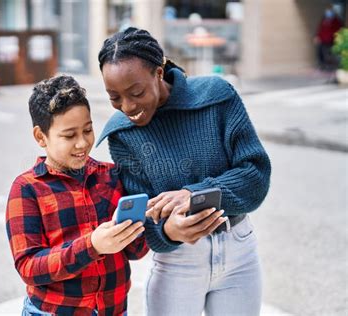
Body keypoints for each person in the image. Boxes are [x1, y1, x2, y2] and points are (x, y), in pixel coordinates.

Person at [96, 27, 271, 316]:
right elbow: (143, 219)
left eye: (136, 92)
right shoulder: (122, 135)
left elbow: (256, 177)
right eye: (114, 97)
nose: (127, 106)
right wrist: (168, 231)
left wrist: (194, 194)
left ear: (159, 72)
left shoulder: (217, 97)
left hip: (239, 251)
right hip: (178, 262)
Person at [6, 75, 148, 316]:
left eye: (88, 130)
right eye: (69, 136)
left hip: (113, 310)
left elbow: (135, 251)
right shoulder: (27, 188)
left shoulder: (110, 176)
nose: (82, 143)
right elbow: (29, 267)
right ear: (41, 137)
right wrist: (92, 245)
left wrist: (137, 229)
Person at [314, 6, 343, 70]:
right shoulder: (324, 20)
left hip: (331, 40)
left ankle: (331, 65)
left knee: (331, 53)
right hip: (323, 40)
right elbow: (320, 29)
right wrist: (317, 36)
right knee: (320, 51)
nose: (328, 13)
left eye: (329, 12)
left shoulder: (336, 21)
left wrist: (336, 39)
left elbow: (339, 30)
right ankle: (322, 64)